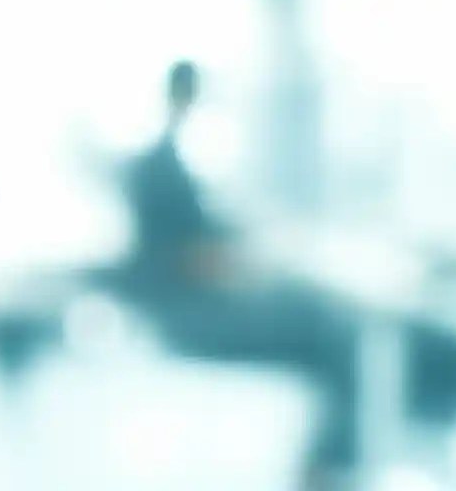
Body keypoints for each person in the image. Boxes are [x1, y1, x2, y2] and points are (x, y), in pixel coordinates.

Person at [119, 61, 358, 490]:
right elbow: (186, 258)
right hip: (186, 317)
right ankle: (326, 469)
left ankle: (327, 462)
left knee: (319, 320)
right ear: (188, 97)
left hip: (183, 306)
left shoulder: (166, 163)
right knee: (332, 332)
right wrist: (251, 266)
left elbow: (196, 242)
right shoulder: (161, 169)